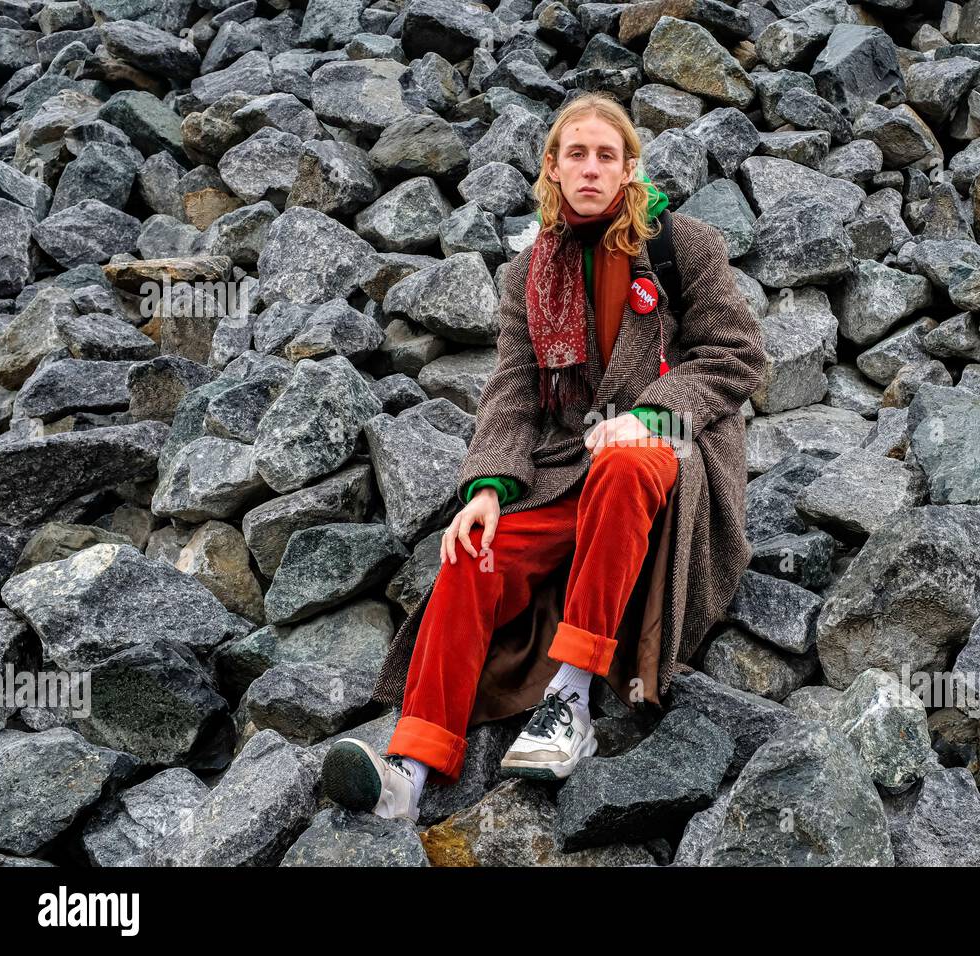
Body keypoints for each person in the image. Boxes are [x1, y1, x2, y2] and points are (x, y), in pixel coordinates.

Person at [321, 92, 766, 823]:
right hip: (565, 465)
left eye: (606, 155)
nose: (591, 168)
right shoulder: (528, 271)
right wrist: (488, 486)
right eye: (576, 155)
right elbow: (514, 390)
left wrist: (650, 416)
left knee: (625, 464)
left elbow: (737, 355)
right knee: (473, 553)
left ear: (629, 169)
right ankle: (410, 771)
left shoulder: (683, 246)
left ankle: (571, 701)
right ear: (552, 169)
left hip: (671, 453)